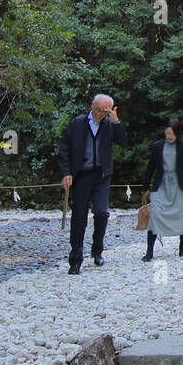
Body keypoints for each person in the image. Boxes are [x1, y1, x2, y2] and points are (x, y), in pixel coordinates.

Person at [57, 94, 127, 274]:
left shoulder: (110, 124)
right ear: (91, 106)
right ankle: (75, 258)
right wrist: (66, 173)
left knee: (102, 213)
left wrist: (116, 122)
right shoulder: (77, 123)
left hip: (102, 175)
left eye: (104, 111)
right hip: (82, 174)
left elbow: (123, 142)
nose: (99, 114)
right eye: (97, 110)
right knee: (79, 216)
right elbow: (64, 149)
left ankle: (97, 250)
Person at [141, 118, 183, 261]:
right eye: (167, 134)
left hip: (180, 185)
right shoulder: (157, 146)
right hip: (162, 184)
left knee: (182, 214)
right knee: (155, 215)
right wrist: (145, 187)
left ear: (177, 133)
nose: (169, 137)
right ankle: (149, 252)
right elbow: (150, 167)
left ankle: (182, 246)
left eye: (171, 134)